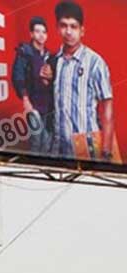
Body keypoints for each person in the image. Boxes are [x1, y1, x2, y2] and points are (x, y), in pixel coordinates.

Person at [49, 2, 115, 161]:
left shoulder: (95, 62)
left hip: (87, 148)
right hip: (58, 147)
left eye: (74, 26)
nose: (68, 32)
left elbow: (107, 106)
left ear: (82, 31)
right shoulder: (53, 61)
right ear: (57, 28)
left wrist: (106, 150)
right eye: (64, 26)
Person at [11, 16, 56, 153]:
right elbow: (17, 76)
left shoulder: (50, 56)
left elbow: (55, 80)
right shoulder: (25, 53)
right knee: (36, 142)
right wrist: (25, 99)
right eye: (37, 31)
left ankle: (46, 172)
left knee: (48, 142)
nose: (41, 35)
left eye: (43, 32)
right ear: (31, 34)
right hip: (34, 105)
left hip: (49, 106)